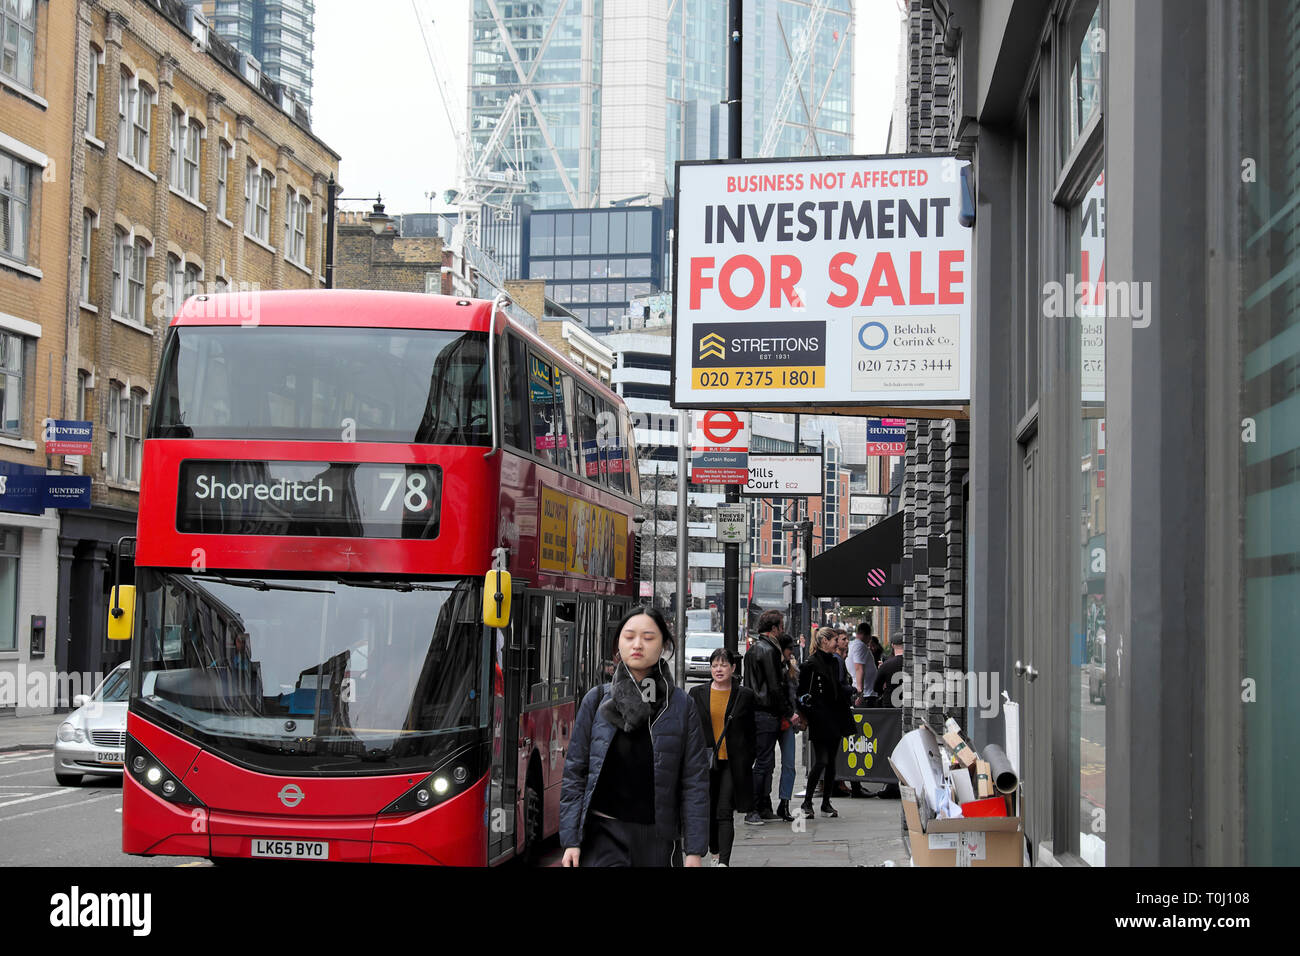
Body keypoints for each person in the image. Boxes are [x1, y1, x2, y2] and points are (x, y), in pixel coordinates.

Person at [560, 606, 710, 867]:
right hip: (603, 835)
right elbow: (575, 773)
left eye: (649, 637)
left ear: (663, 644)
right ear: (618, 644)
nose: (638, 644)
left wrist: (694, 851)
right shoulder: (596, 701)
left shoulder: (681, 706)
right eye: (629, 637)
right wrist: (572, 841)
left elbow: (694, 781)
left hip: (657, 839)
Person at [689, 649, 756, 866]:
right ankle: (715, 850)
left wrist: (748, 759)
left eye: (724, 665)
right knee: (707, 811)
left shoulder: (744, 695)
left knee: (724, 810)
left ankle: (723, 862)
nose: (719, 669)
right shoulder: (697, 694)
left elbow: (751, 732)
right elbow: (690, 729)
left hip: (732, 762)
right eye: (715, 665)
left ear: (733, 668)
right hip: (705, 761)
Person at [796, 626, 853, 819]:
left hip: (835, 716)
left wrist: (848, 692)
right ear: (824, 641)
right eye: (835, 640)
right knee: (821, 760)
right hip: (820, 718)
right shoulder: (810, 664)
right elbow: (801, 694)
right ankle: (807, 802)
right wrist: (806, 714)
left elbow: (836, 687)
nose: (838, 643)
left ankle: (826, 803)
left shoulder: (833, 663)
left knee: (832, 763)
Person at [742, 609, 791, 824]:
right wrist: (787, 712)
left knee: (765, 761)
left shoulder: (754, 649)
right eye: (781, 626)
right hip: (766, 711)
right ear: (774, 628)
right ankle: (753, 808)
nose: (783, 630)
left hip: (757, 710)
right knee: (763, 762)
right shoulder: (769, 650)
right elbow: (774, 685)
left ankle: (762, 806)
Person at [774, 634, 803, 821]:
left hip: (788, 722)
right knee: (766, 764)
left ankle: (784, 803)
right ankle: (764, 803)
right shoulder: (774, 668)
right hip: (775, 719)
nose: (792, 651)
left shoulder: (791, 669)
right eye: (789, 648)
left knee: (789, 764)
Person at [848, 621, 878, 703]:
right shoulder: (860, 645)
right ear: (867, 636)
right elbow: (859, 668)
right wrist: (860, 692)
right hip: (865, 694)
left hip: (865, 693)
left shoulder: (852, 645)